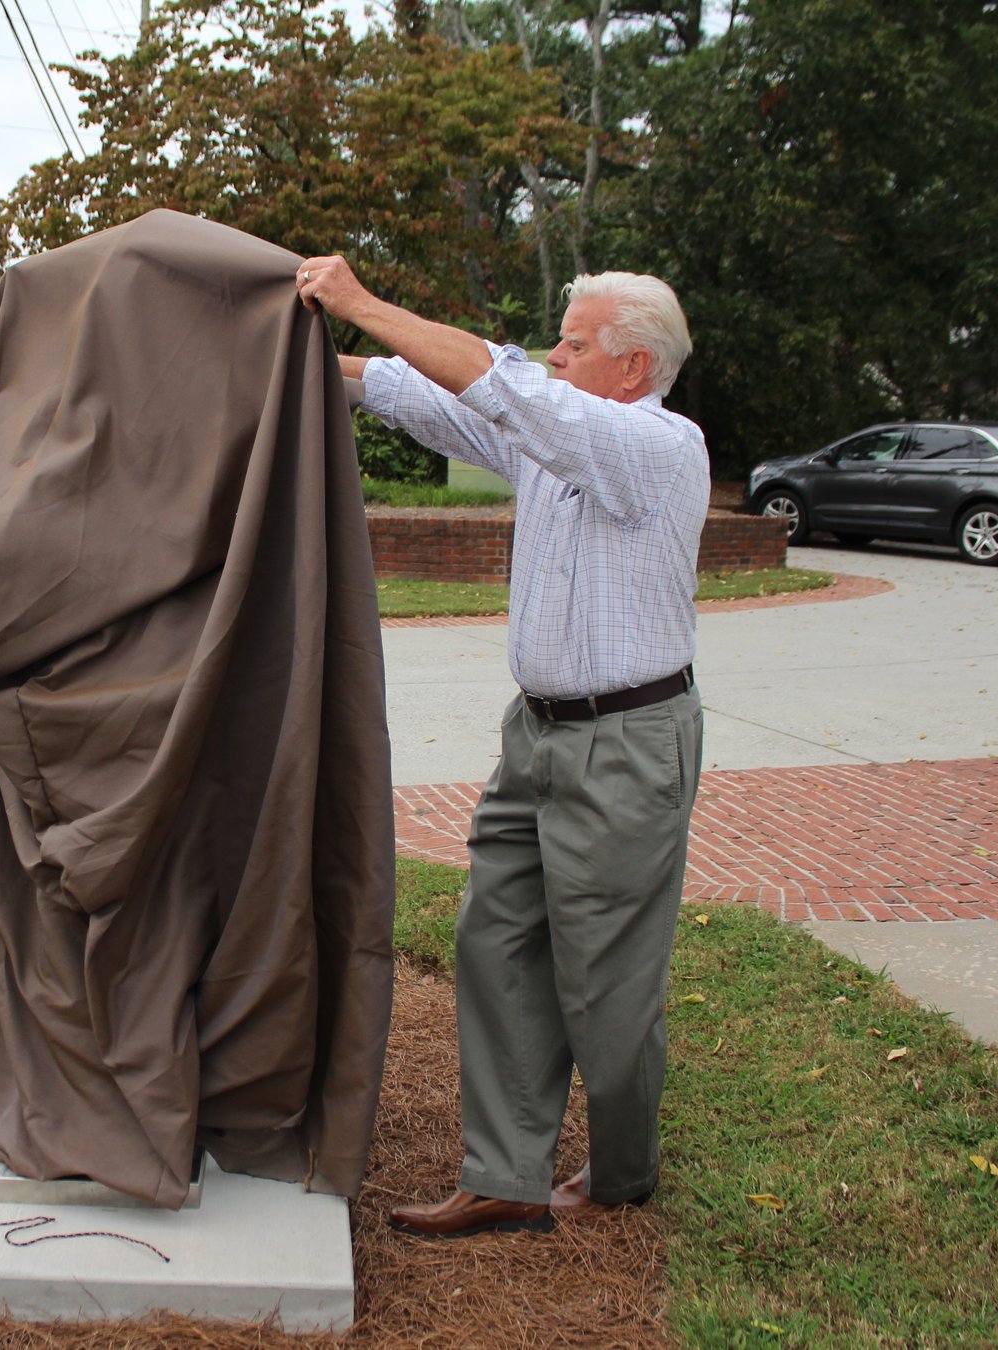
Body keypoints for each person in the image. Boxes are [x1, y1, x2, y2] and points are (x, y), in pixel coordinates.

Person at [296, 256, 708, 1238]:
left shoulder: (654, 444)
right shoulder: (552, 440)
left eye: (575, 342)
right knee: (496, 942)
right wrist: (312, 349)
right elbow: (431, 392)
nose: (555, 353)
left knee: (603, 981)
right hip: (537, 737)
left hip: (628, 745)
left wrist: (360, 300)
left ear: (631, 366)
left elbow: (507, 381)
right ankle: (507, 1176)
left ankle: (623, 1170)